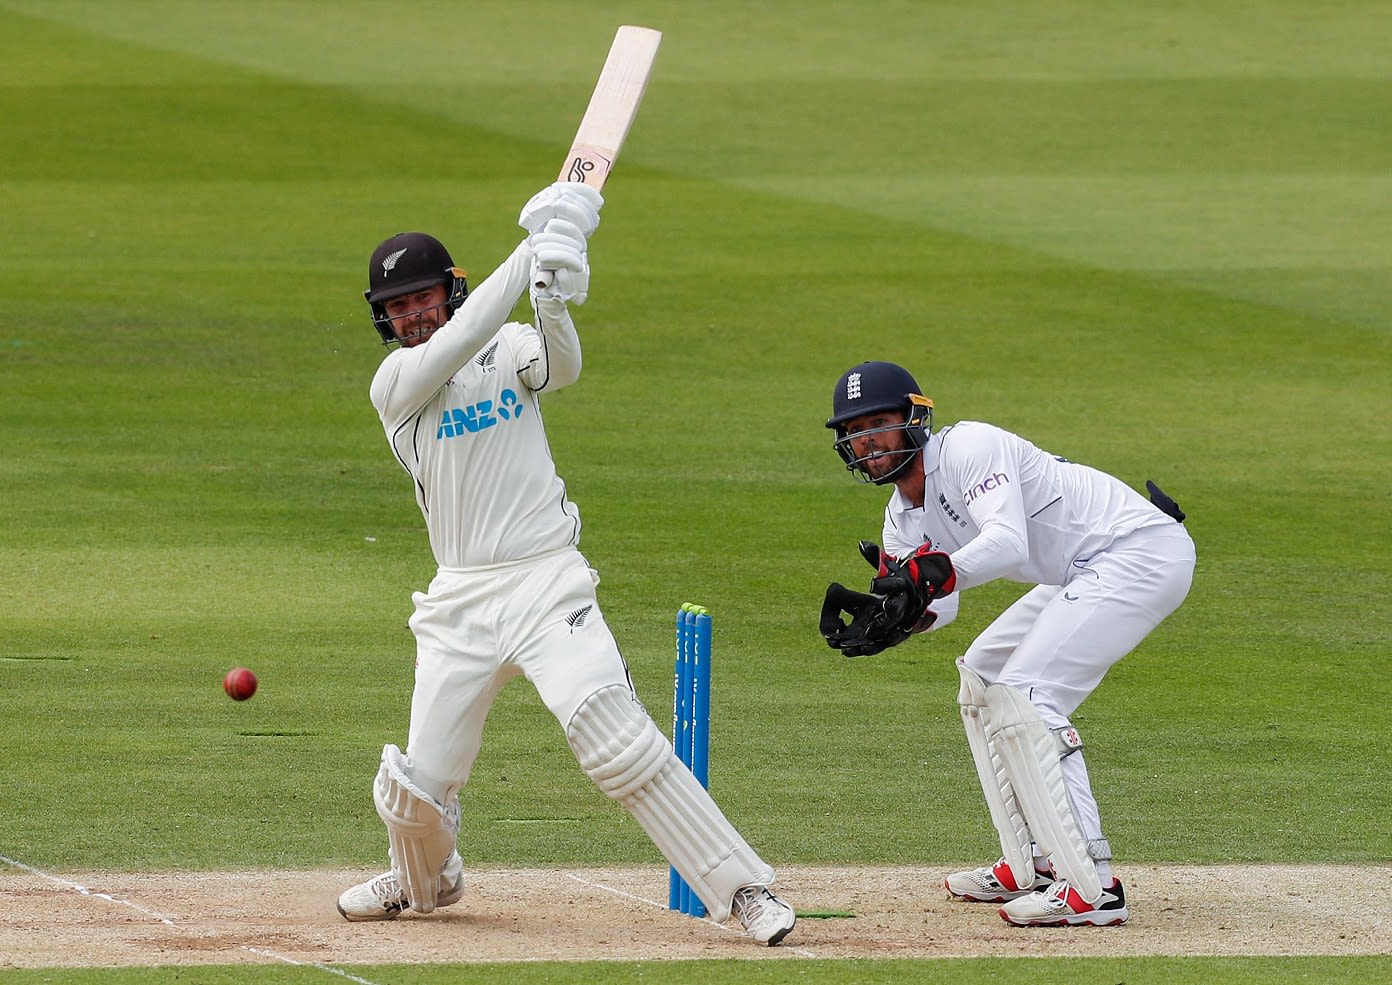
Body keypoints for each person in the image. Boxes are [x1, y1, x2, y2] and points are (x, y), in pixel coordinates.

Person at [334, 182, 795, 946]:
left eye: (425, 299)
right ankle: (427, 879)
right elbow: (455, 343)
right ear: (384, 317)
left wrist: (551, 289)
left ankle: (745, 890)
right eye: (399, 306)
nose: (415, 315)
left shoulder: (508, 344)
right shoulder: (395, 386)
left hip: (547, 581)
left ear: (450, 292)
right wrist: (529, 250)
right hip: (460, 600)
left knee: (616, 740)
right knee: (415, 789)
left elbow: (564, 367)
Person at [818, 360, 1194, 927]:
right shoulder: (900, 518)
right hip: (1081, 568)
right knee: (982, 675)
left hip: (1139, 552)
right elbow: (943, 606)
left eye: (878, 423)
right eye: (853, 431)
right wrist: (899, 618)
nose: (865, 441)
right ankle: (1030, 862)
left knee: (1031, 698)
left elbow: (1005, 543)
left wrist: (928, 576)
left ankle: (1093, 885)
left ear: (915, 419)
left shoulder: (970, 446)